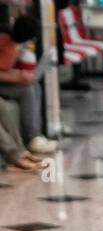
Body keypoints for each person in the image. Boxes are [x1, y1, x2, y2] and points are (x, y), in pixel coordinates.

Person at [0, 14, 55, 154]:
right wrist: (17, 78)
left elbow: (4, 68)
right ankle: (32, 137)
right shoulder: (4, 40)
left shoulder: (12, 43)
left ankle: (36, 134)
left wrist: (20, 75)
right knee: (27, 90)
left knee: (35, 86)